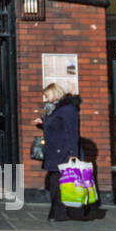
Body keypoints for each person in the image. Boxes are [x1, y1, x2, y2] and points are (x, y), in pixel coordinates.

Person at [33, 83, 85, 222]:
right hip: (56, 151)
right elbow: (56, 125)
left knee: (57, 183)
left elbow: (71, 131)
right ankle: (61, 212)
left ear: (55, 93)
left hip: (63, 151)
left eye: (47, 95)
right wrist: (42, 122)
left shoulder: (68, 110)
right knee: (57, 182)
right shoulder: (58, 109)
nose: (46, 98)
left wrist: (73, 153)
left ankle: (58, 213)